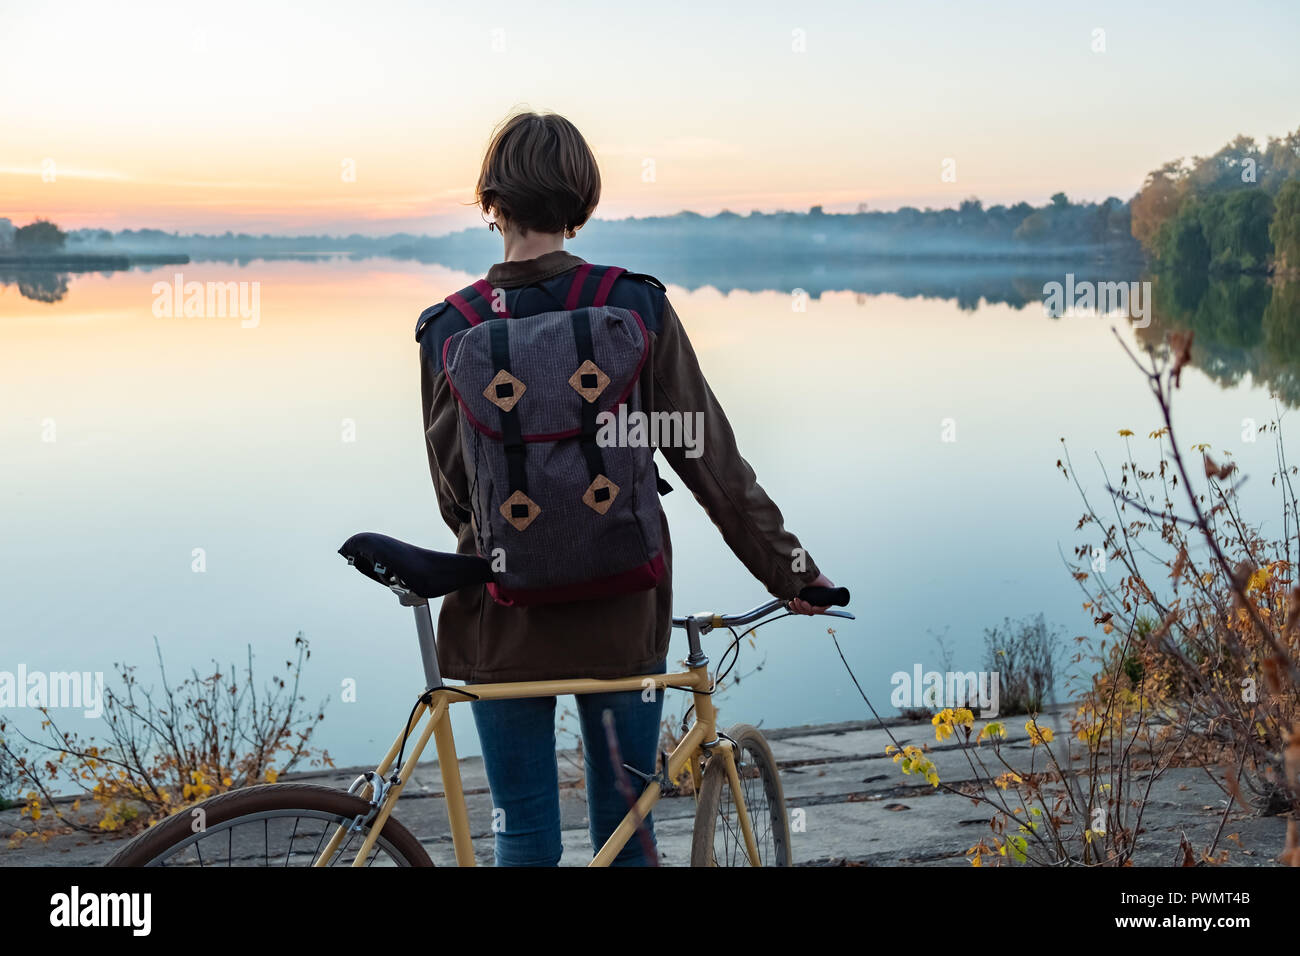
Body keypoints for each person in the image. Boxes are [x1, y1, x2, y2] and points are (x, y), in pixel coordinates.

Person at [415, 110, 835, 866]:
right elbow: (710, 463)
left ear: (491, 200)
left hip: (501, 617)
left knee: (523, 828)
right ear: (581, 200)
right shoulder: (633, 307)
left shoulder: (450, 328)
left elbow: (457, 496)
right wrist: (790, 570)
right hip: (619, 607)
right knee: (625, 827)